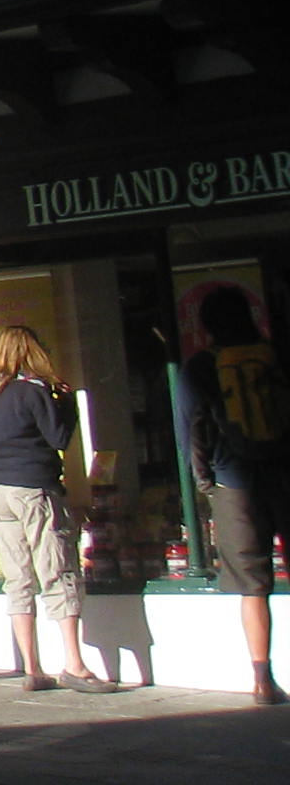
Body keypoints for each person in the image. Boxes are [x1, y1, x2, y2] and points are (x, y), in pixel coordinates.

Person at [0, 324, 115, 692]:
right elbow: (59, 437)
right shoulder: (33, 393)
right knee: (57, 570)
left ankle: (32, 667)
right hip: (35, 488)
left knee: (18, 578)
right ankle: (74, 665)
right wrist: (67, 401)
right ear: (32, 353)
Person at [176, 287, 290, 706]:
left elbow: (188, 429)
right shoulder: (275, 354)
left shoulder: (199, 368)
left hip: (234, 483)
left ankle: (263, 680)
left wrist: (204, 482)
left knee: (252, 586)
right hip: (284, 472)